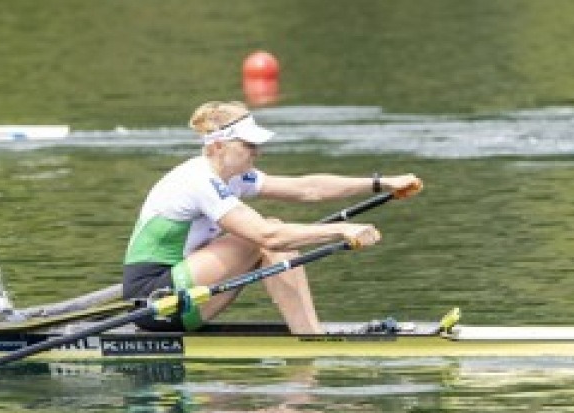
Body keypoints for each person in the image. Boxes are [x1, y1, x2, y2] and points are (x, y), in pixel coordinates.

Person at [122, 100, 423, 334]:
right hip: (155, 303)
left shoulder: (236, 177)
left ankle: (308, 334)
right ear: (217, 146)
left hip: (185, 296)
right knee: (268, 237)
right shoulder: (198, 179)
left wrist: (380, 183)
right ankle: (309, 337)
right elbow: (269, 237)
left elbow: (308, 189)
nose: (258, 152)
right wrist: (341, 230)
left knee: (272, 234)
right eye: (249, 145)